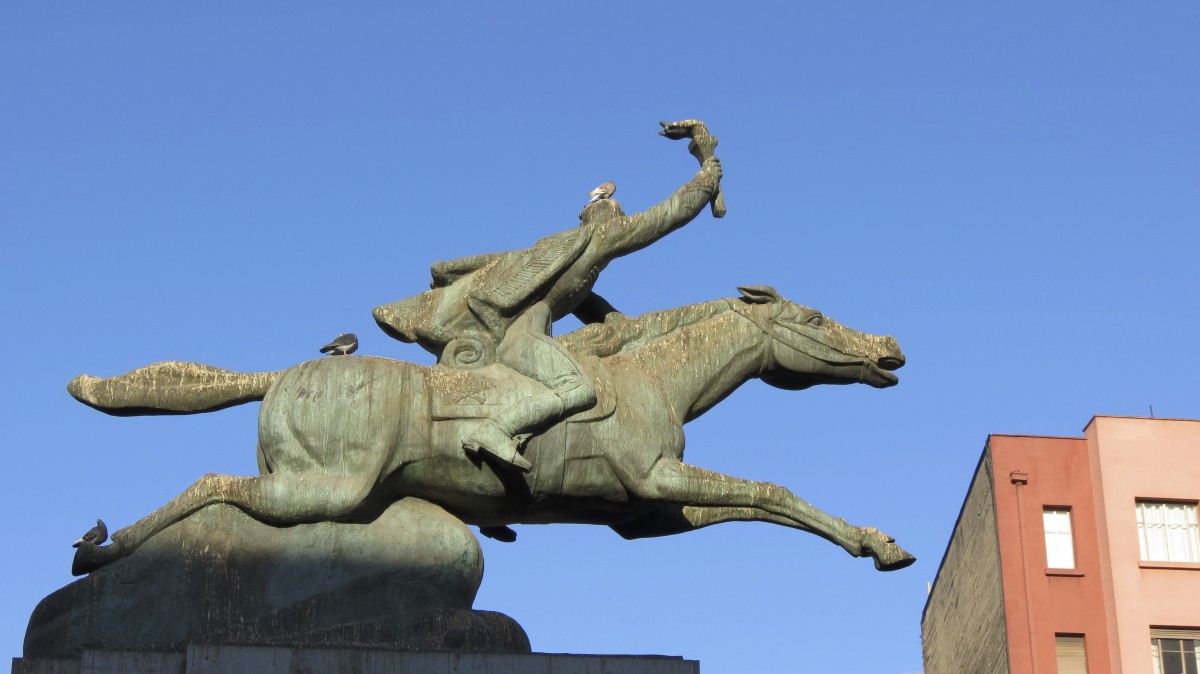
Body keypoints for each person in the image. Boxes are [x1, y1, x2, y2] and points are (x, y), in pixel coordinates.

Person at [374, 121, 723, 472]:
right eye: (621, 221)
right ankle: (496, 430)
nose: (624, 228)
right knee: (578, 389)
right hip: (518, 337)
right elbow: (667, 216)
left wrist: (626, 326)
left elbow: (594, 309)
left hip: (506, 332)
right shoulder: (598, 240)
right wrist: (707, 174)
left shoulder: (558, 253)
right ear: (610, 220)